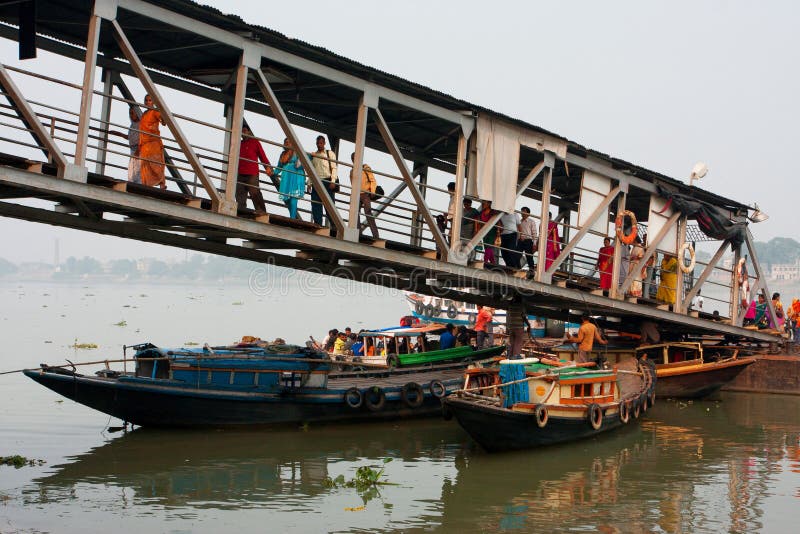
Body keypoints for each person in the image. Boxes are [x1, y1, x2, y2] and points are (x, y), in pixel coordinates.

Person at [236, 124, 273, 214]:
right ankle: (241, 212)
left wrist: (268, 167)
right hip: (240, 173)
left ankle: (261, 212)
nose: (243, 132)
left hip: (252, 173)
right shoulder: (238, 143)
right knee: (239, 194)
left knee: (255, 193)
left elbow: (262, 156)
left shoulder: (255, 142)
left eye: (245, 130)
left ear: (249, 132)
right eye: (242, 131)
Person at [138, 94, 167, 189]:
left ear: (153, 102)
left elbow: (163, 120)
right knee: (145, 166)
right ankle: (146, 185)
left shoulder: (155, 111)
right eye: (146, 100)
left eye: (150, 100)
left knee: (156, 164)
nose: (147, 102)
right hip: (144, 144)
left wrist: (163, 119)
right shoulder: (144, 114)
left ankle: (162, 183)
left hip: (153, 143)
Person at [309, 135, 338, 226]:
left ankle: (335, 226)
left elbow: (334, 168)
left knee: (329, 206)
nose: (319, 145)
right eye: (318, 143)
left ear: (324, 143)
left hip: (327, 181)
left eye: (321, 143)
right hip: (316, 182)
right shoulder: (313, 155)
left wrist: (333, 181)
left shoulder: (330, 153)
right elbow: (311, 170)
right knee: (315, 204)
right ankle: (318, 225)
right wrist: (309, 183)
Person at [275, 137, 306, 219]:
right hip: (286, 178)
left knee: (293, 198)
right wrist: (272, 172)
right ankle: (292, 216)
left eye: (289, 142)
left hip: (295, 176)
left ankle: (292, 218)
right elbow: (278, 167)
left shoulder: (296, 152)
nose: (287, 143)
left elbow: (303, 163)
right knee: (287, 199)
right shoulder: (282, 154)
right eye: (285, 142)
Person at [350, 152, 380, 238]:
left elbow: (372, 180)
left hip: (366, 193)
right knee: (355, 213)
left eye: (355, 158)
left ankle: (376, 235)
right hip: (357, 194)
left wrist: (373, 192)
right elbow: (352, 183)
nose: (354, 160)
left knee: (368, 213)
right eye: (353, 159)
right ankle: (358, 233)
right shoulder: (352, 171)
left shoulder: (365, 167)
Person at [517, 207, 538, 271]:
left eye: (524, 211)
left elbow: (534, 233)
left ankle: (531, 271)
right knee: (517, 255)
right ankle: (518, 269)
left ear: (528, 214)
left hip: (528, 241)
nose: (522, 213)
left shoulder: (531, 222)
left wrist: (534, 243)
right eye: (521, 211)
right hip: (520, 241)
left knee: (529, 257)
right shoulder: (519, 222)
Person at [126, 106, 141, 184]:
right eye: (130, 113)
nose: (131, 115)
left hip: (139, 150)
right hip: (132, 149)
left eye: (132, 113)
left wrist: (138, 149)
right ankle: (132, 183)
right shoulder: (132, 125)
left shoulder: (141, 125)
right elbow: (131, 136)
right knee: (132, 169)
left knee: (138, 169)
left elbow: (143, 138)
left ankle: (138, 184)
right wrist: (118, 134)